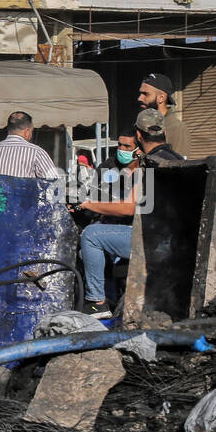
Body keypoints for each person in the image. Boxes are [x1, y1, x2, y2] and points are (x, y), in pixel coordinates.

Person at [74, 109, 182, 317]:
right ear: (163, 133)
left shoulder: (149, 163)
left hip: (152, 241)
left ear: (139, 136)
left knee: (91, 236)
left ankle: (97, 302)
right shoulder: (174, 158)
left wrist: (88, 205)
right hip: (173, 239)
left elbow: (128, 207)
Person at [0, 111, 60, 180]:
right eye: (31, 131)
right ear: (27, 131)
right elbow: (53, 182)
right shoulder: (36, 152)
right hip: (23, 201)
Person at [137, 72, 189, 159]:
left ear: (161, 97)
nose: (140, 98)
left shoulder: (176, 128)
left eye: (146, 94)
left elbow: (177, 166)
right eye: (140, 93)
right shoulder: (141, 123)